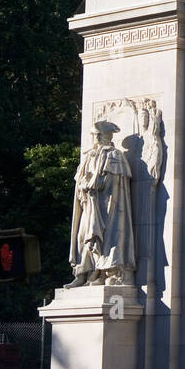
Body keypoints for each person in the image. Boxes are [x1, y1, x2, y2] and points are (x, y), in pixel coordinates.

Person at [66, 122, 135, 287]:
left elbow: (115, 181)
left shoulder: (115, 155)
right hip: (89, 204)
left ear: (106, 136)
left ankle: (103, 273)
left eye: (98, 135)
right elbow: (79, 180)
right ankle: (82, 274)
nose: (95, 138)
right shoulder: (89, 156)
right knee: (83, 237)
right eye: (93, 135)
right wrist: (84, 186)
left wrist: (96, 185)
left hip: (107, 205)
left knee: (106, 238)